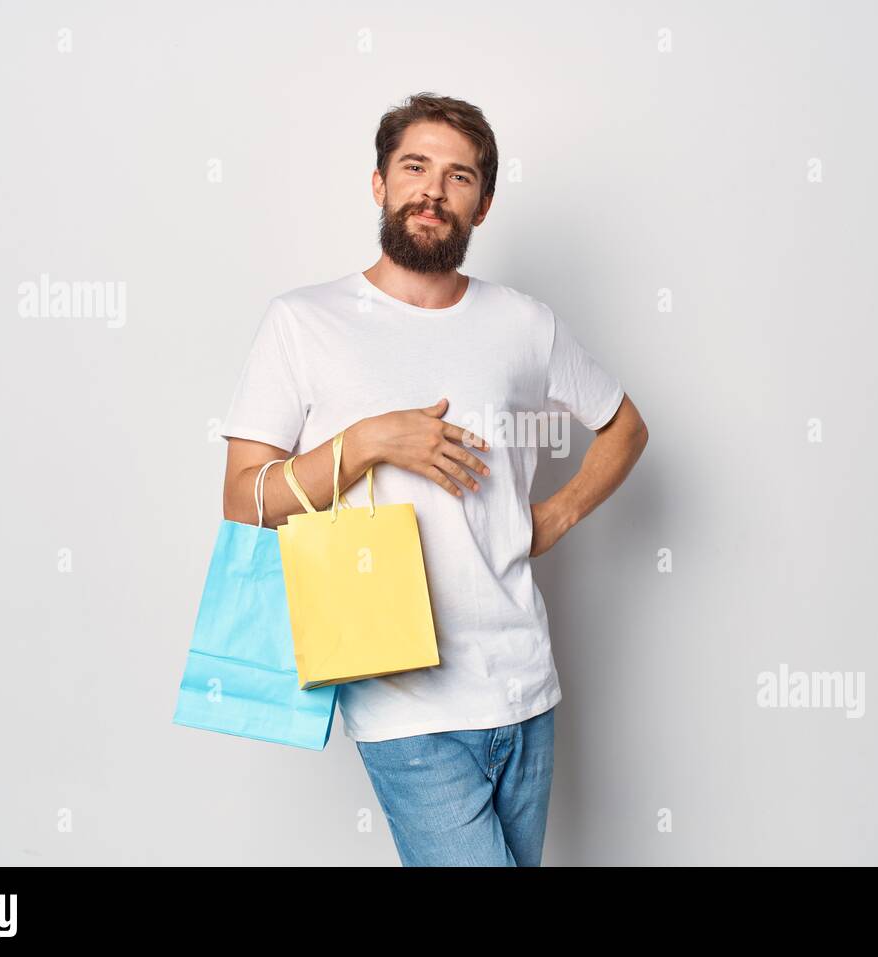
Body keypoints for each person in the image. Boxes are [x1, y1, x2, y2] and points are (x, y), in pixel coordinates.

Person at [217, 92, 648, 866]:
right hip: (401, 695)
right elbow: (244, 497)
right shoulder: (302, 321)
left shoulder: (524, 323)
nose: (433, 191)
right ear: (379, 183)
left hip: (526, 685)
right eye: (415, 167)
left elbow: (624, 426)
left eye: (459, 177)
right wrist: (370, 442)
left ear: (483, 205)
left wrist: (555, 515)